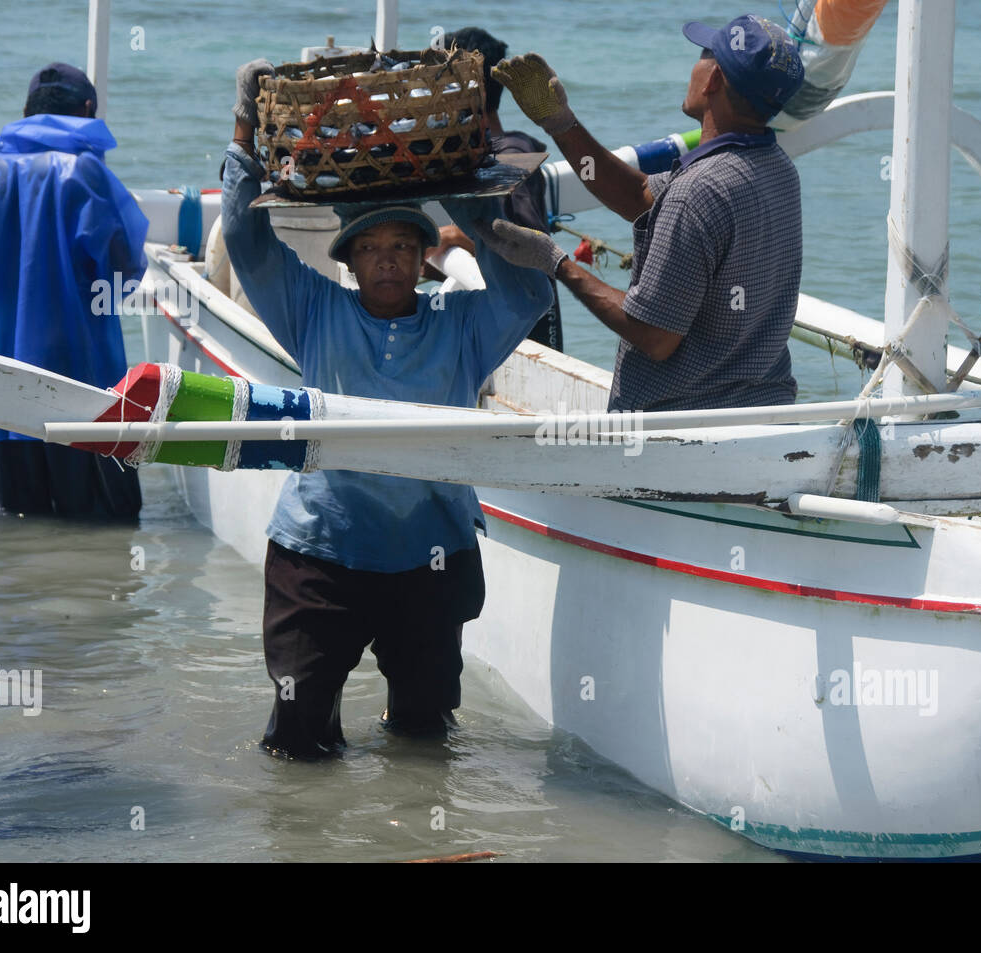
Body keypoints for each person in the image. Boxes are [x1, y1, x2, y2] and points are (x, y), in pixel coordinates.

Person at [225, 61, 558, 755]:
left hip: (428, 558)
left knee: (423, 736)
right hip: (320, 552)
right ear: (347, 260)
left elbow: (528, 296)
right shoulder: (315, 311)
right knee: (298, 739)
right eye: (370, 248)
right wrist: (243, 128)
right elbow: (247, 241)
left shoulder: (459, 327)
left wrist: (468, 201)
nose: (385, 260)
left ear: (421, 258)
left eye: (402, 246)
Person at [490, 16, 807, 412]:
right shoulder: (777, 168)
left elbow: (655, 337)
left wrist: (556, 263)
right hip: (760, 417)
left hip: (684, 436)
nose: (694, 65)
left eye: (704, 54)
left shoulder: (698, 191)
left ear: (713, 80)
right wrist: (562, 124)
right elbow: (639, 194)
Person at [0, 63, 148, 518]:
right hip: (81, 374)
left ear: (25, 112)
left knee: (11, 519)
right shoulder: (86, 174)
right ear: (88, 109)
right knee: (105, 520)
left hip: (1, 379)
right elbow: (122, 271)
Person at [423, 26, 564, 352]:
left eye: (437, 81)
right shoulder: (476, 159)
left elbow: (533, 252)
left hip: (530, 341)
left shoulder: (512, 162)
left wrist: (456, 239)